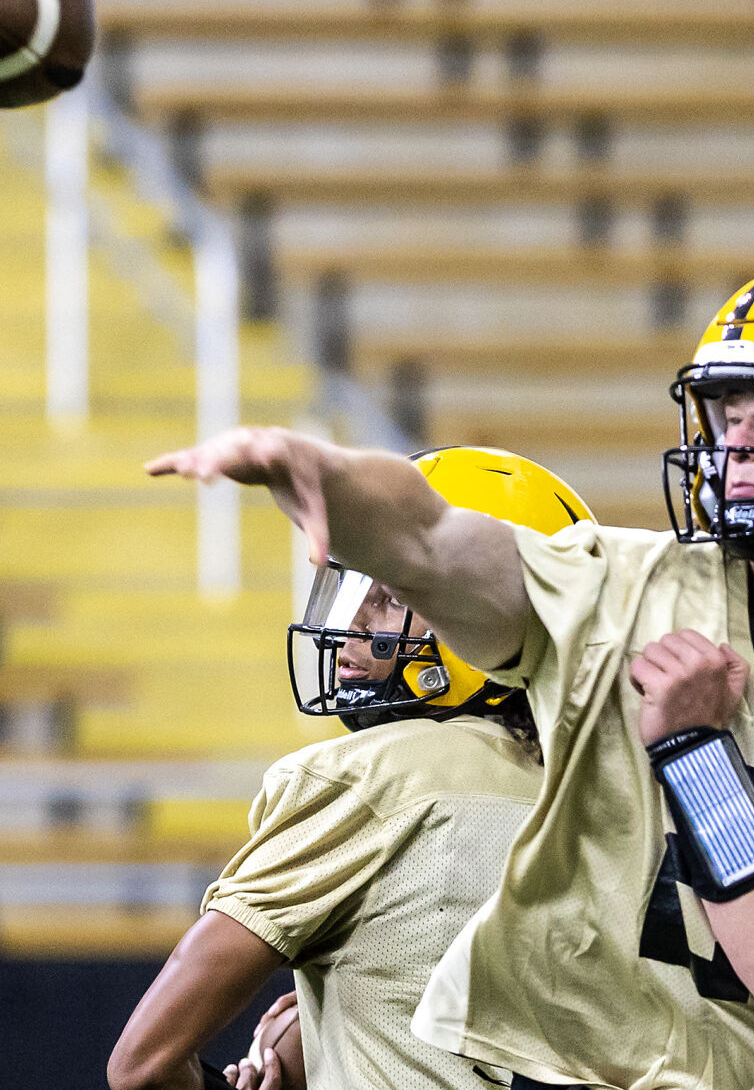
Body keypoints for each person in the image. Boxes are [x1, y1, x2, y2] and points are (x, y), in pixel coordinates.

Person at [145, 263, 754, 1089]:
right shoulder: (616, 583)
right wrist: (326, 476)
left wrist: (696, 752)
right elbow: (429, 538)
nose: (736, 442)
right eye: (726, 414)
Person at [109, 446, 595, 1090]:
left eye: (388, 597)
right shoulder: (604, 793)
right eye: (354, 590)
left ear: (491, 612)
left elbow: (141, 1067)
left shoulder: (366, 778)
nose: (352, 627)